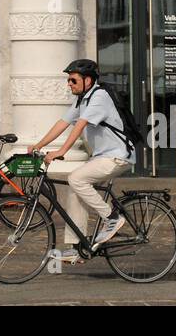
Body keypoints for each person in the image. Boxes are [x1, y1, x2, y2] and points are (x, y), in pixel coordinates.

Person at [27, 58, 137, 262]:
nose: (69, 84)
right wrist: (39, 145)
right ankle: (77, 247)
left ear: (88, 80)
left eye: (73, 80)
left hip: (118, 156)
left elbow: (80, 126)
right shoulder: (82, 100)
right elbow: (63, 123)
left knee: (76, 178)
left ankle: (112, 218)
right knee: (75, 191)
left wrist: (61, 151)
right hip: (102, 157)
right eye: (68, 80)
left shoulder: (99, 96)